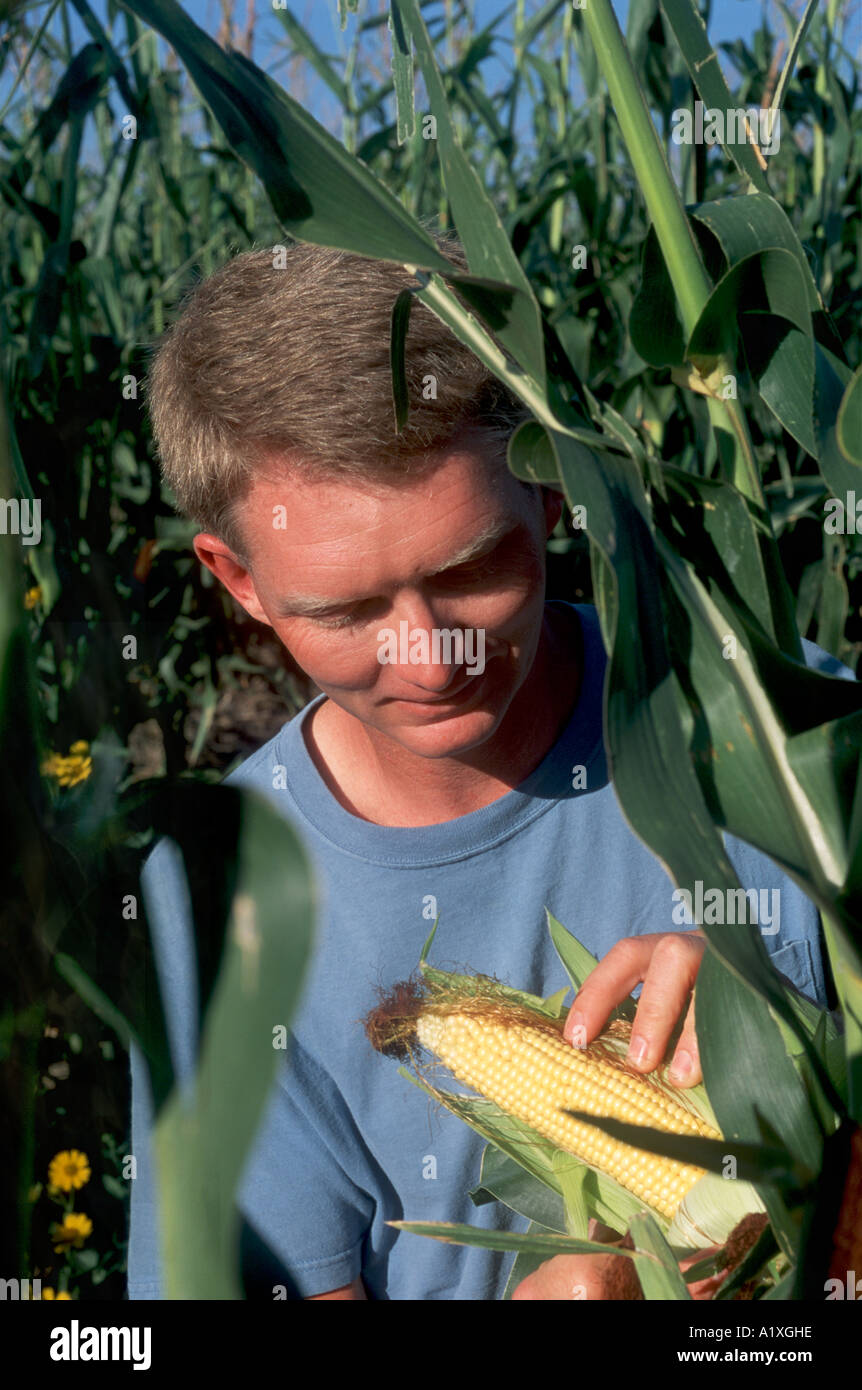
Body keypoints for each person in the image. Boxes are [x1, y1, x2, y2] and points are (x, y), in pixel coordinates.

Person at [127, 232, 848, 1301]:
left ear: (555, 496)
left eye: (471, 569)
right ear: (240, 580)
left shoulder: (791, 735)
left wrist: (785, 1045)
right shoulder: (217, 902)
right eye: (347, 609)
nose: (429, 656)